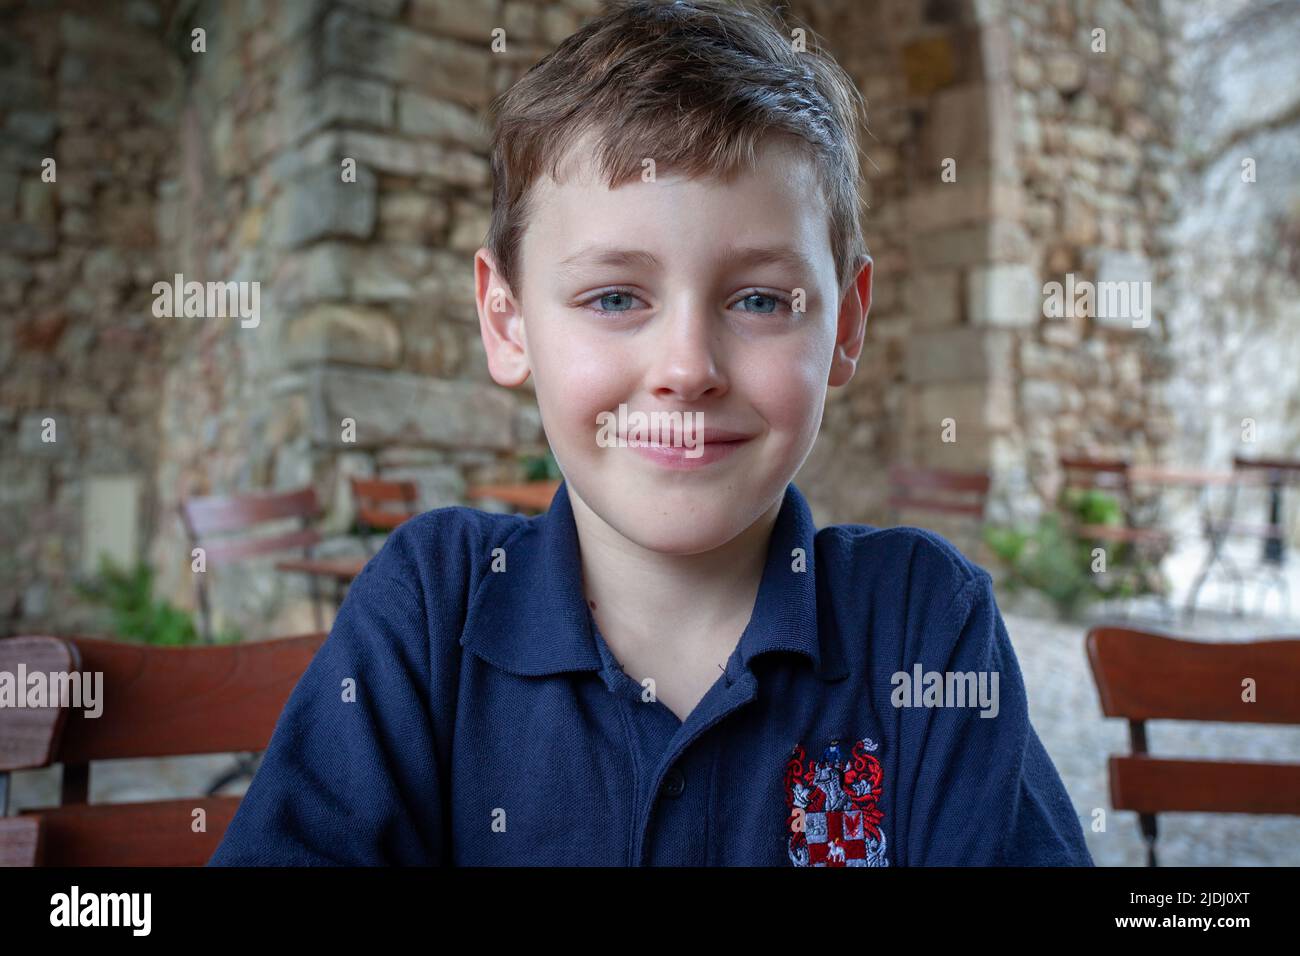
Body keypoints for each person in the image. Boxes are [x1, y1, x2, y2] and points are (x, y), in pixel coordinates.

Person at [208, 0, 1093, 866]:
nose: (686, 366)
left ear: (846, 325)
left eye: (759, 299)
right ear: (508, 322)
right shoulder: (432, 612)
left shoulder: (923, 625)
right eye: (615, 298)